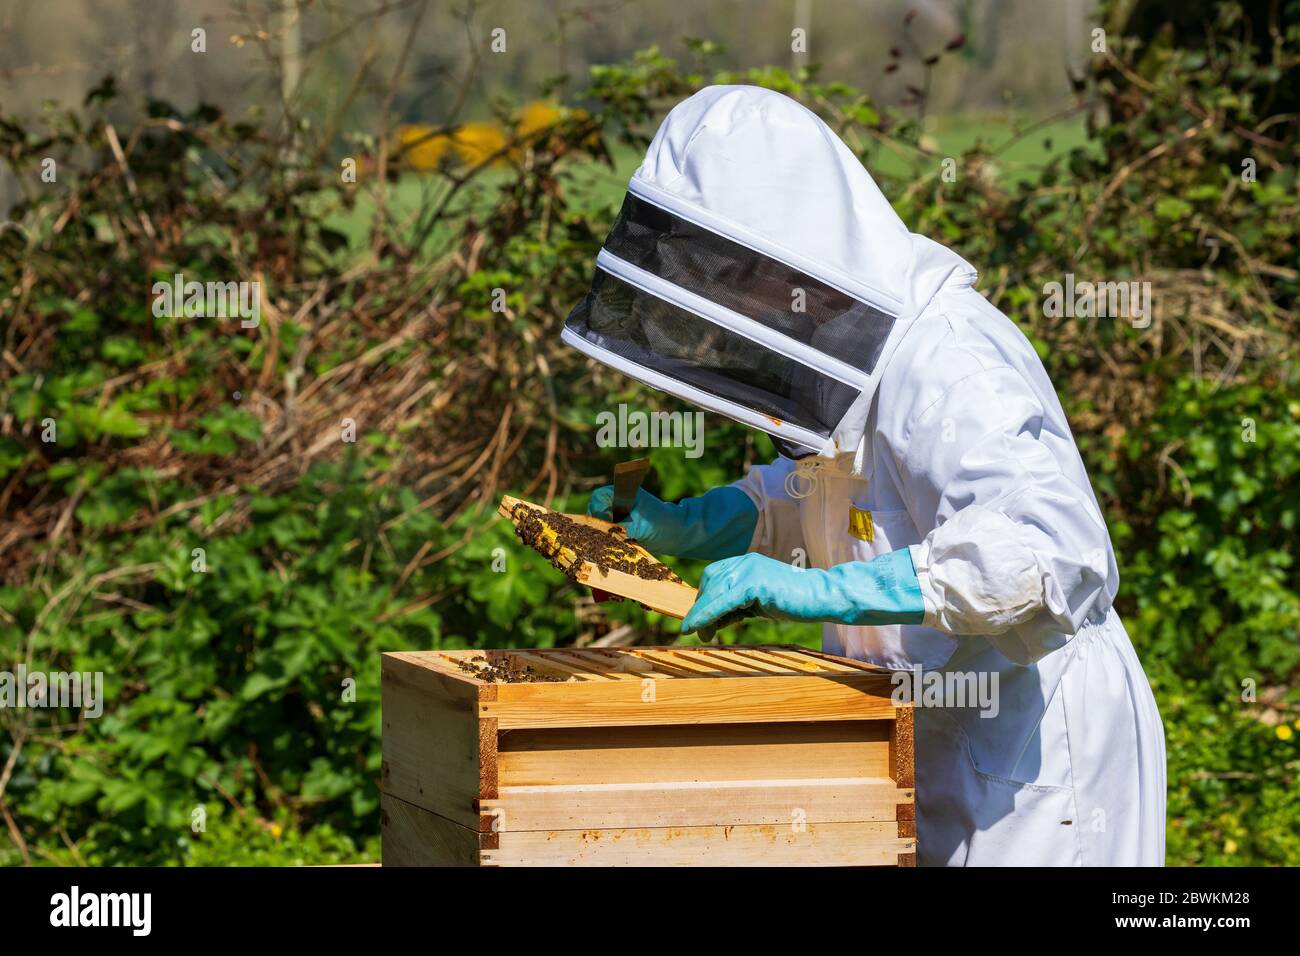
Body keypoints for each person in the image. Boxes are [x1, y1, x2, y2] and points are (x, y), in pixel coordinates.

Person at [566, 85, 1165, 866]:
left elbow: (1050, 554)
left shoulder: (948, 357)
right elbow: (823, 497)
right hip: (919, 725)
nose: (722, 304)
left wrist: (818, 591)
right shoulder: (833, 345)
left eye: (726, 274)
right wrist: (689, 524)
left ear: (786, 251)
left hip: (1032, 756)